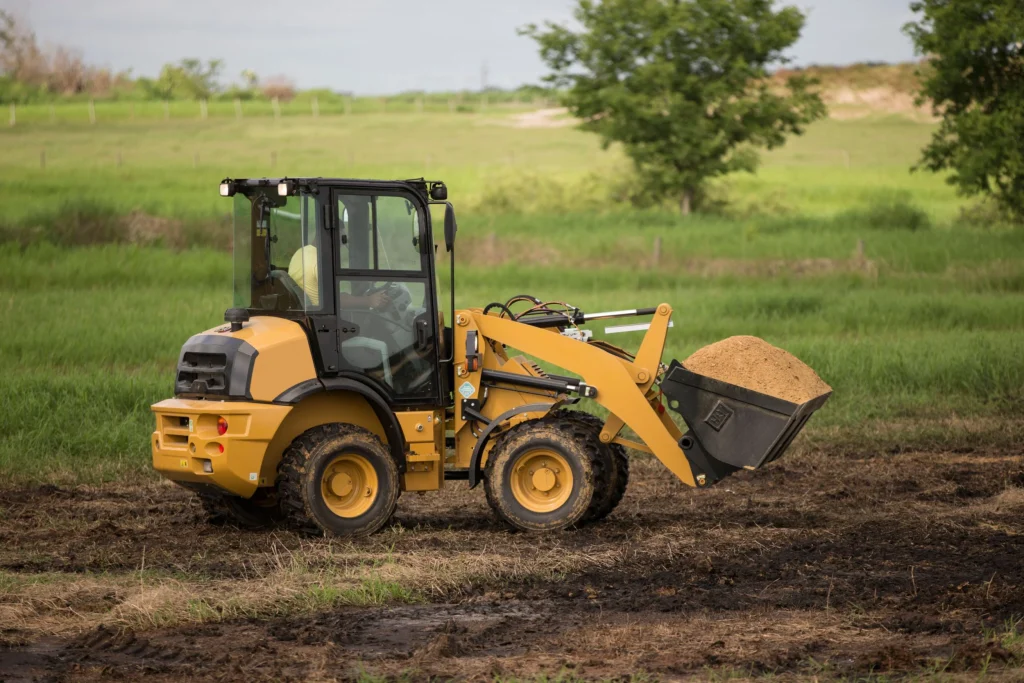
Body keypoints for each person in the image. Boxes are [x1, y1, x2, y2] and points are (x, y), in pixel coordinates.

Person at [289, 245, 390, 309]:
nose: (341, 246)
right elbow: (336, 300)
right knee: (378, 338)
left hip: (312, 311)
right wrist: (370, 301)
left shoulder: (301, 252)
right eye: (342, 239)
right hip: (322, 320)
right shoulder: (320, 262)